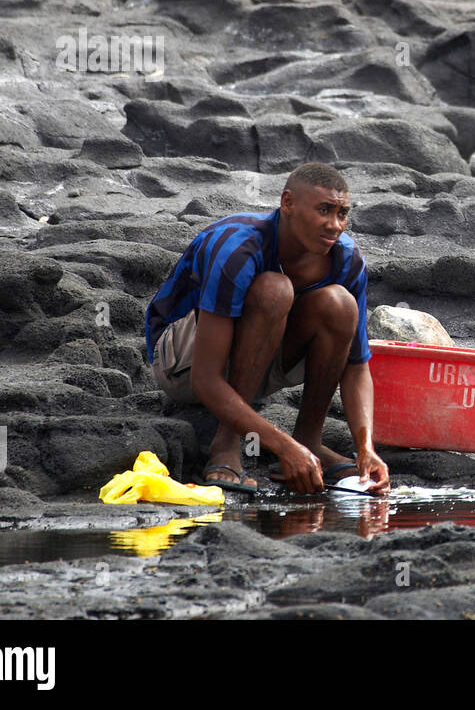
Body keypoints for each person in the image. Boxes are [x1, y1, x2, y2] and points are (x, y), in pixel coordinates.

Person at [144, 161, 390, 494]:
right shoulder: (238, 246)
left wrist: (365, 447)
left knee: (339, 303)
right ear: (287, 203)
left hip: (259, 366)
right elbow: (205, 379)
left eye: (343, 214)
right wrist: (282, 446)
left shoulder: (346, 260)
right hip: (182, 366)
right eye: (324, 210)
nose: (335, 225)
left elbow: (358, 368)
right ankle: (227, 443)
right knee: (275, 290)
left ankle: (310, 441)